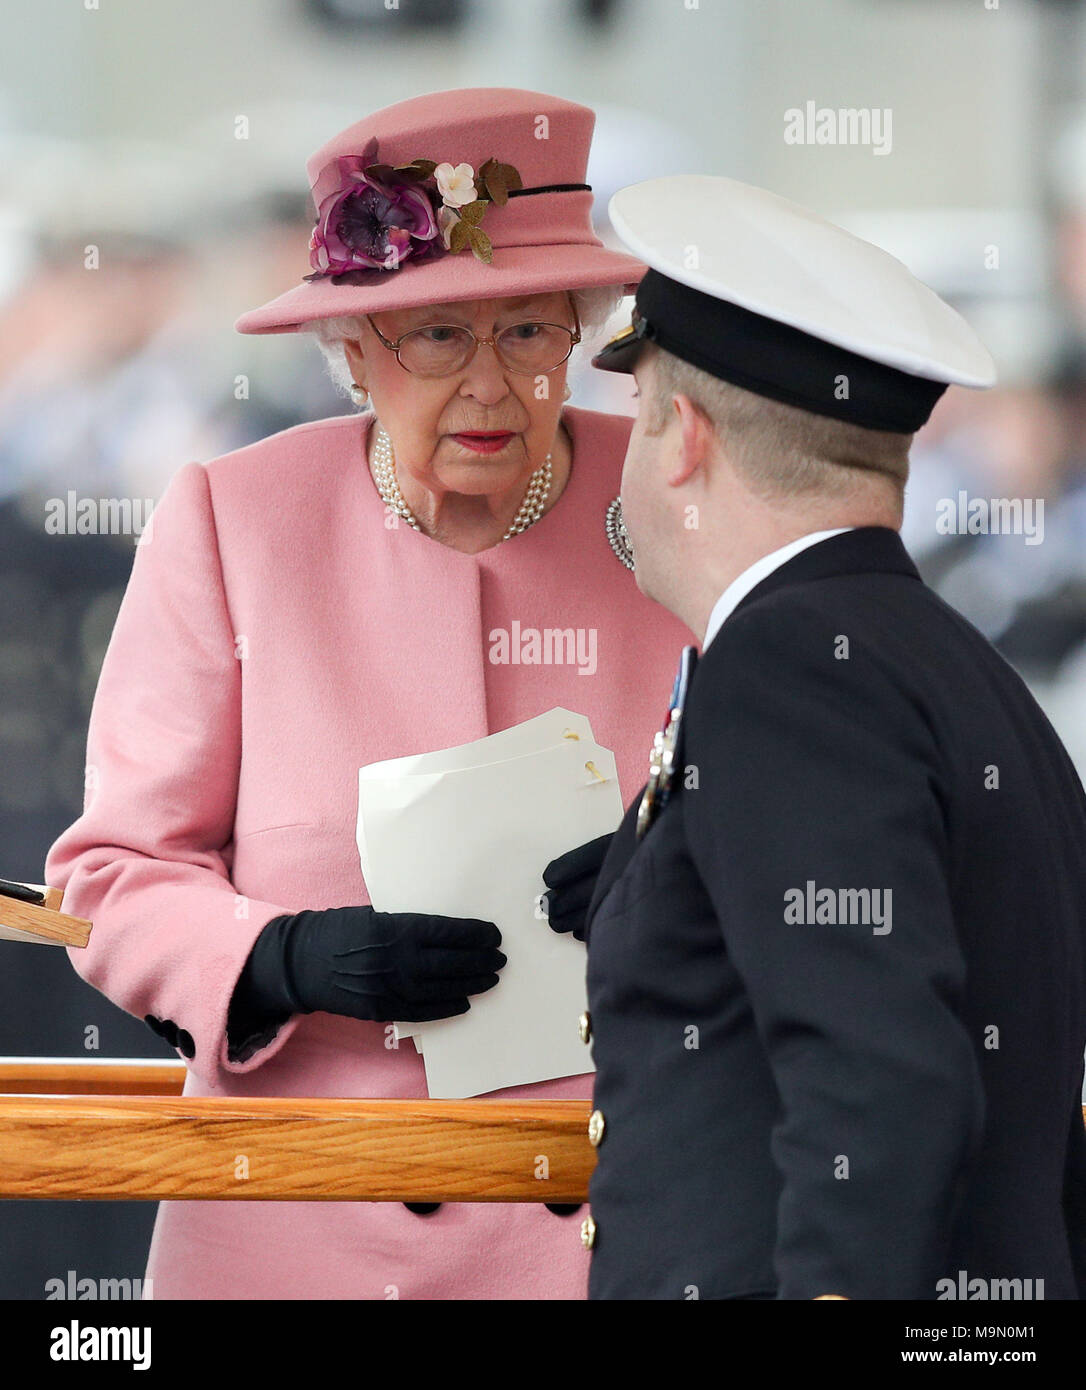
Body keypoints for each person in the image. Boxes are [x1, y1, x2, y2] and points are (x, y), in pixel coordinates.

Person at [43, 89, 695, 1300]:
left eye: (528, 331)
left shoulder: (672, 503)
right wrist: (274, 958)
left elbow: (808, 809)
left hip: (608, 1226)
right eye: (437, 336)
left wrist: (693, 865)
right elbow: (110, 874)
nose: (493, 389)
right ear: (352, 350)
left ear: (583, 330)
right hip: (295, 1229)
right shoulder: (234, 522)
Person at [565, 173, 1086, 1299]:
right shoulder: (948, 662)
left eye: (642, 412)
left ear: (684, 439)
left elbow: (886, 1081)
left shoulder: (791, 670)